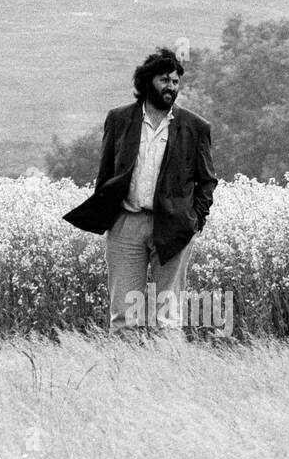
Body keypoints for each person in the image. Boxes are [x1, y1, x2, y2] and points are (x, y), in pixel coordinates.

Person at [63, 48, 218, 332]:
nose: (171, 87)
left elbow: (206, 181)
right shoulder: (119, 119)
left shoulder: (195, 127)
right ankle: (126, 362)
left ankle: (165, 361)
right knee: (124, 316)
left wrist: (195, 221)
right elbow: (106, 173)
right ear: (147, 82)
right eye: (164, 80)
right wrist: (107, 212)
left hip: (174, 226)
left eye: (175, 81)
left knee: (166, 317)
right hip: (126, 223)